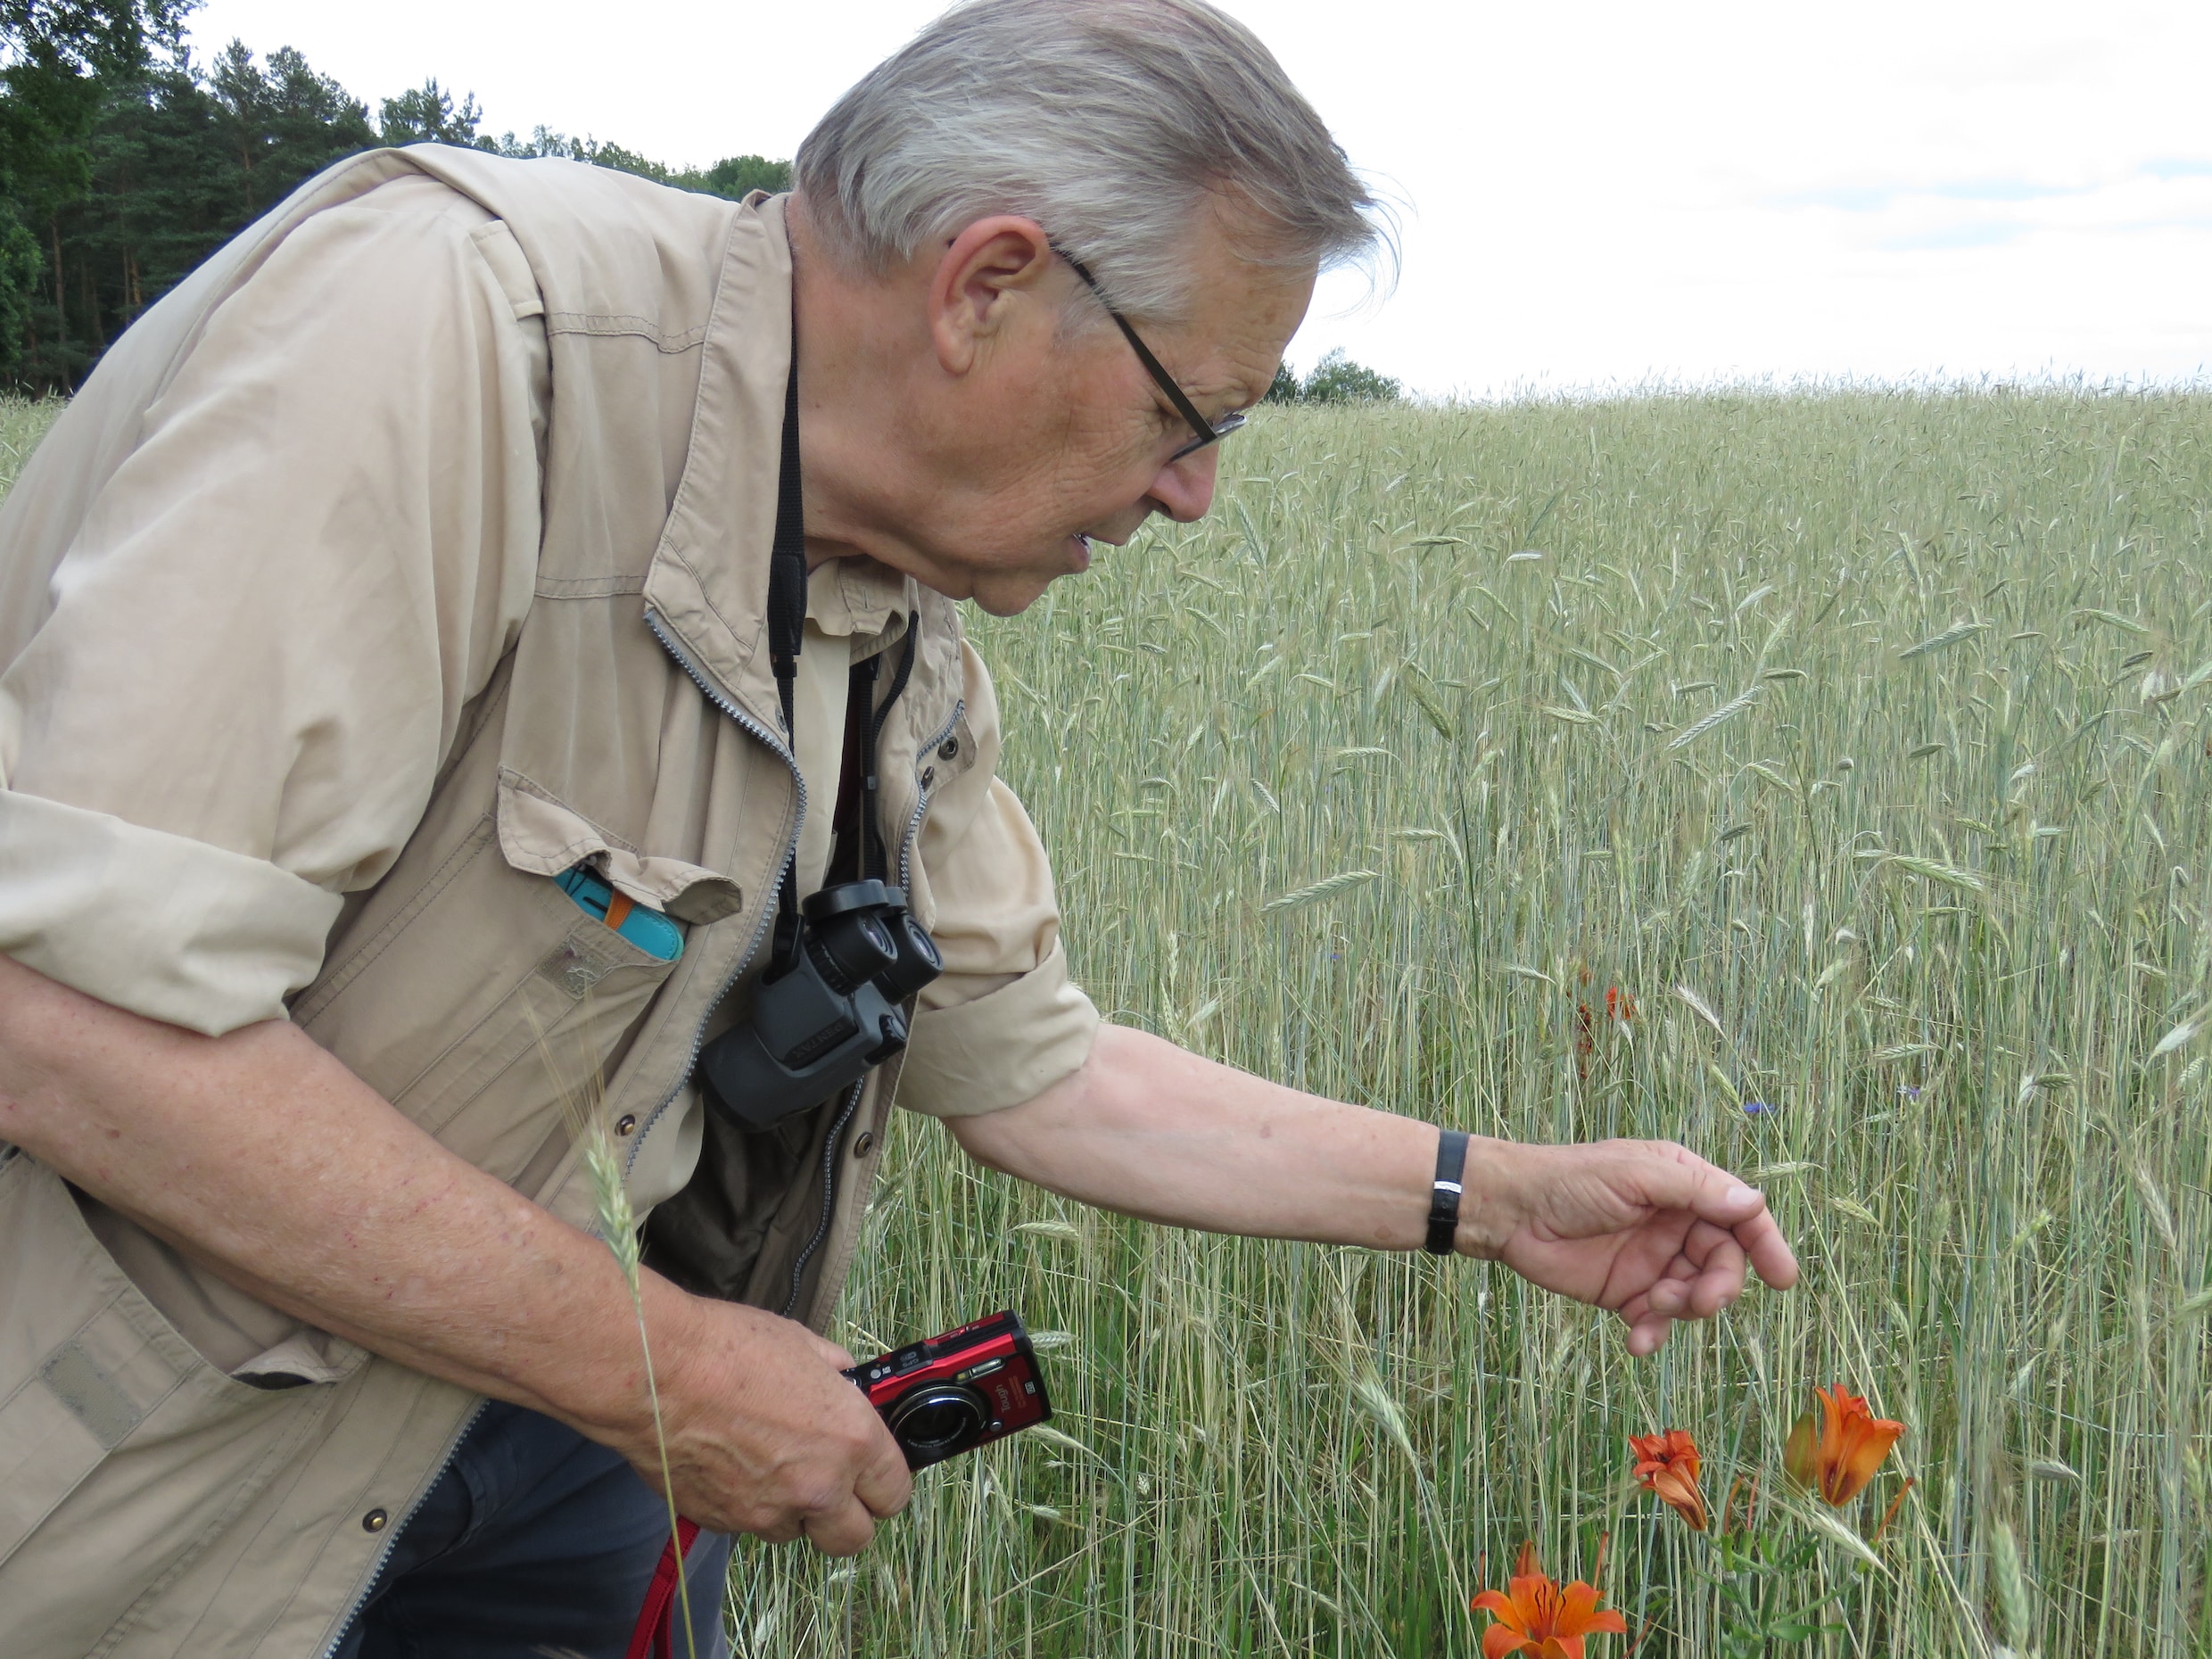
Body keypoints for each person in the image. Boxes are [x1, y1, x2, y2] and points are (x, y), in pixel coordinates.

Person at [0, 1, 1798, 1654]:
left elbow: (1031, 1070)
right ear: (987, 285)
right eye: (1194, 415)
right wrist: (660, 1369)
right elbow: (69, 1017)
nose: (1195, 497)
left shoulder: (887, 603)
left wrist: (1501, 1199)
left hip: (540, 1436)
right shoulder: (461, 335)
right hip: (156, 1477)